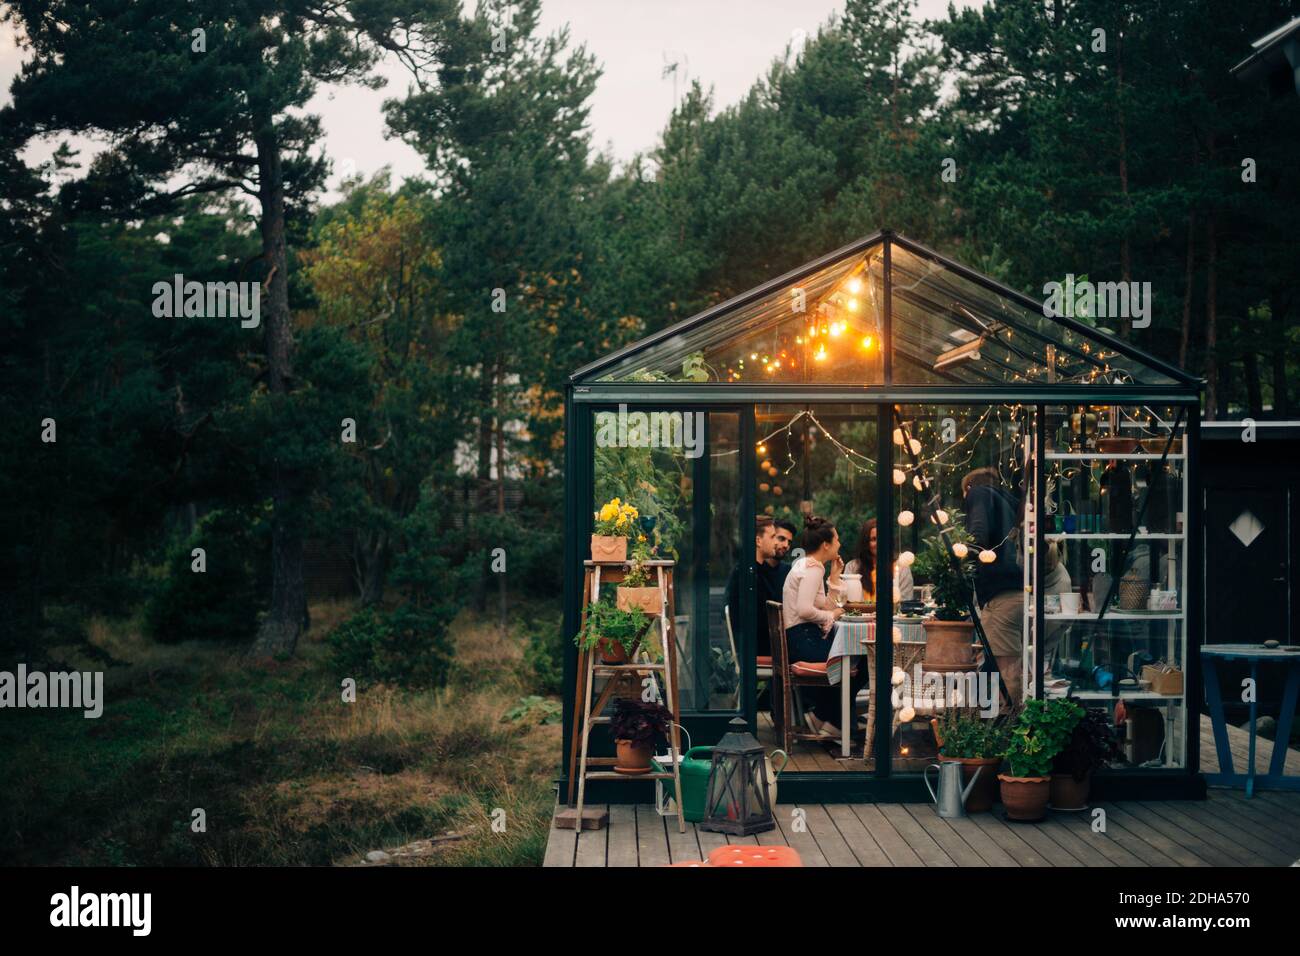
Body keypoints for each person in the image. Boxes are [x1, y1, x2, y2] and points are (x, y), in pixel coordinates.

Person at [962, 466, 1026, 704]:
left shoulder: (977, 494)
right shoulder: (1006, 503)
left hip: (1002, 597)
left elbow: (976, 536)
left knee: (1004, 668)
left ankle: (1007, 728)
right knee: (1006, 665)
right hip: (1016, 593)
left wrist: (961, 557)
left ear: (968, 488)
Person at [781, 516, 846, 737]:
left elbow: (823, 604)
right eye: (836, 539)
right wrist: (832, 615)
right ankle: (831, 719)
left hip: (801, 638)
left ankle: (827, 718)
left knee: (854, 655)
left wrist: (835, 578)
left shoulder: (809, 565)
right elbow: (805, 610)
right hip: (803, 640)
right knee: (857, 657)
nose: (839, 544)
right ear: (826, 544)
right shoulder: (812, 568)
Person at [724, 516, 792, 662]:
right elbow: (759, 622)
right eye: (773, 536)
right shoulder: (748, 574)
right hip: (757, 650)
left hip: (762, 645)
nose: (776, 542)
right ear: (758, 541)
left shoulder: (755, 571)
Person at [844, 518, 914, 603]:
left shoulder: (902, 568)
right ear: (866, 542)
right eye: (873, 539)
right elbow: (846, 600)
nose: (879, 543)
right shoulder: (852, 567)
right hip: (859, 615)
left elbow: (905, 601)